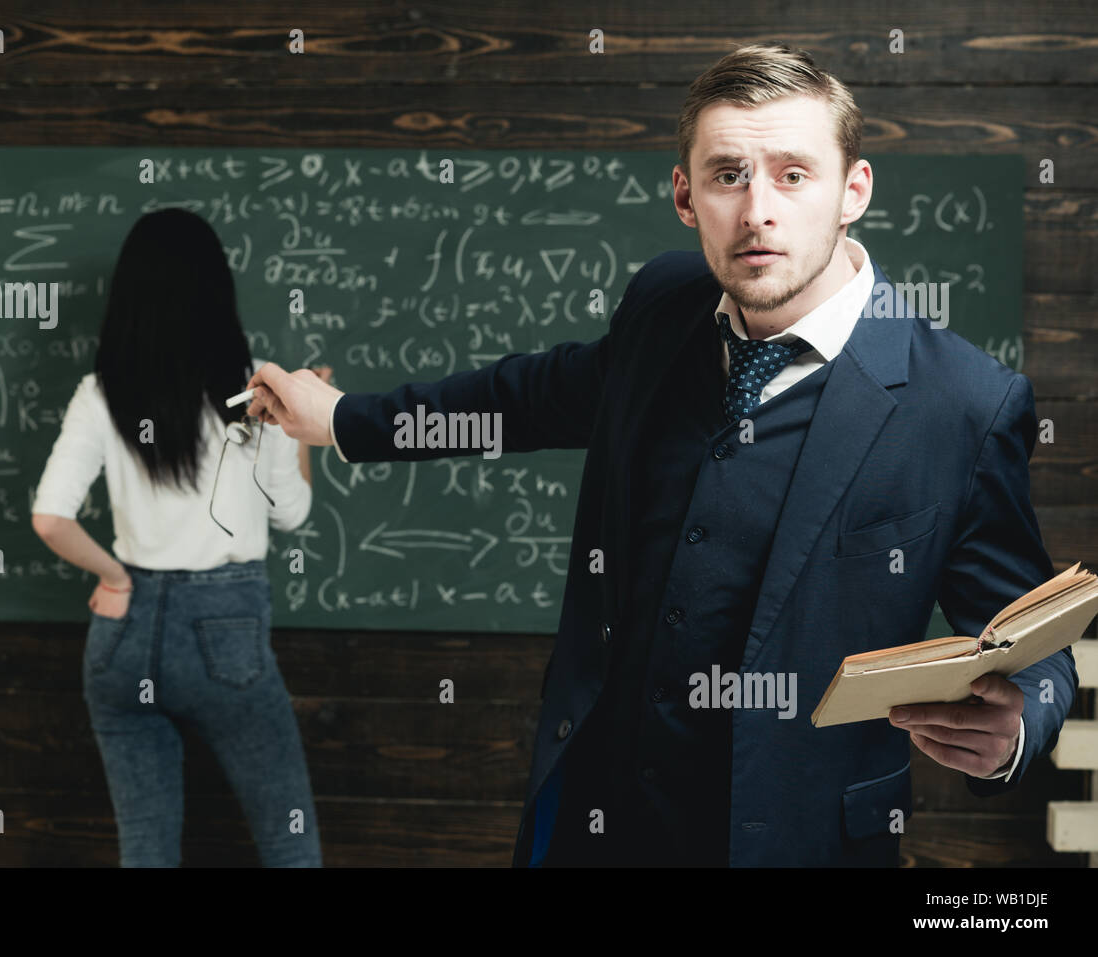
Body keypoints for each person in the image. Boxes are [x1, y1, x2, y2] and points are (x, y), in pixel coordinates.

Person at [242, 43, 1078, 867]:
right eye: (727, 176)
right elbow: (524, 398)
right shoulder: (662, 306)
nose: (758, 210)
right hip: (598, 824)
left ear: (851, 190)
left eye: (793, 174)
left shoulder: (963, 403)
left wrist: (1015, 728)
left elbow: (1037, 640)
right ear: (685, 194)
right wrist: (346, 419)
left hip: (795, 841)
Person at [31, 207, 324, 867]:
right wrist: (304, 426)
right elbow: (292, 513)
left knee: (147, 852)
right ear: (217, 292)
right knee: (290, 845)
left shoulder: (101, 392)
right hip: (227, 633)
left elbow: (50, 517)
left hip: (123, 635)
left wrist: (113, 576)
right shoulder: (253, 390)